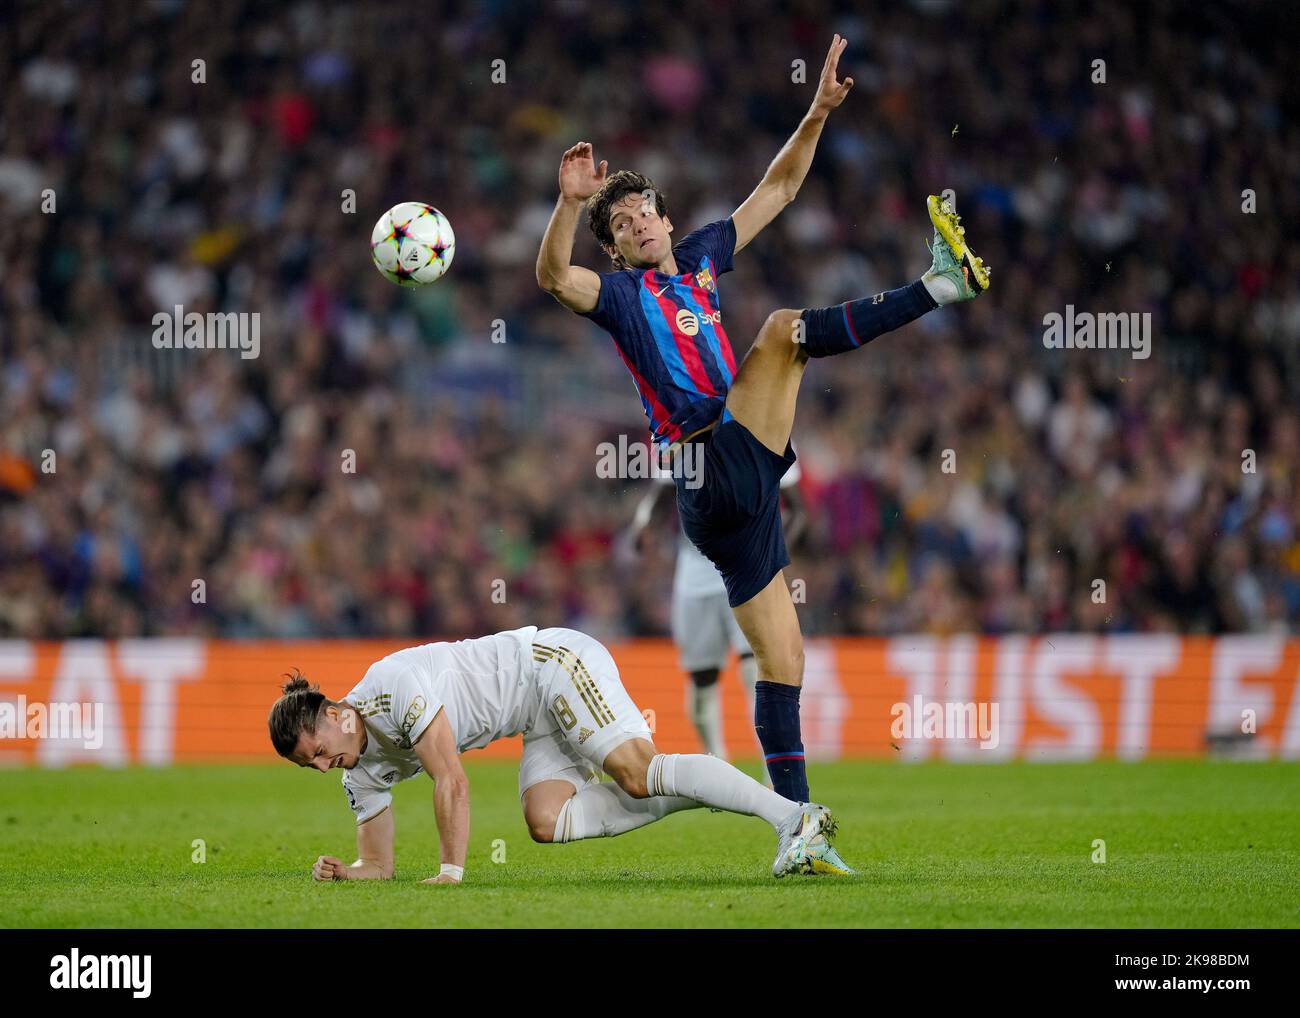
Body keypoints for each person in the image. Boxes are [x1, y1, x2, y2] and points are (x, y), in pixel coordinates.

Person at [535, 32, 989, 874]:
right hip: (711, 464)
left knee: (783, 665)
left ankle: (797, 828)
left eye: (643, 214)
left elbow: (779, 187)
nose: (636, 227)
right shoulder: (622, 299)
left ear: (668, 220)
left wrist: (815, 112)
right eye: (620, 226)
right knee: (784, 333)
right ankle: (941, 285)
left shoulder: (704, 257)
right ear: (617, 248)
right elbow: (554, 279)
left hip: (733, 503)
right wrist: (568, 204)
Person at [267, 625, 849, 882]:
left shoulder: (391, 686)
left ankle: (796, 820)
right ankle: (707, 789)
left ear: (339, 716)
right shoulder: (355, 766)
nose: (322, 767)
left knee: (637, 773)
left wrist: (450, 873)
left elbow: (453, 779)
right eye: (308, 765)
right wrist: (352, 872)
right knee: (547, 821)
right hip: (532, 715)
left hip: (551, 665)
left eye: (317, 752)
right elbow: (381, 865)